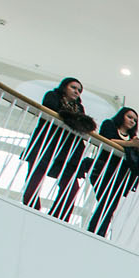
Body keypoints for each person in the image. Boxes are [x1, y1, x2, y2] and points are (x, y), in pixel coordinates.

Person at [21, 77, 96, 221]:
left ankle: (56, 218)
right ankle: (32, 211)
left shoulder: (79, 108)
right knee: (35, 180)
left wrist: (72, 120)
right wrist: (74, 121)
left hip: (69, 149)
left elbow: (85, 125)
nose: (77, 92)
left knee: (71, 188)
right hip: (47, 143)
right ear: (64, 87)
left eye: (79, 90)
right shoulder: (53, 96)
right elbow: (54, 111)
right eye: (73, 87)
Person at [86, 107, 139, 236]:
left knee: (110, 205)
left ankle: (100, 232)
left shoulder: (132, 137)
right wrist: (131, 144)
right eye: (129, 117)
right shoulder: (109, 124)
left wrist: (136, 148)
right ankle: (94, 230)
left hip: (121, 175)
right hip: (104, 169)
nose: (132, 121)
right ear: (122, 116)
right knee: (106, 201)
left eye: (135, 120)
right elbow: (107, 140)